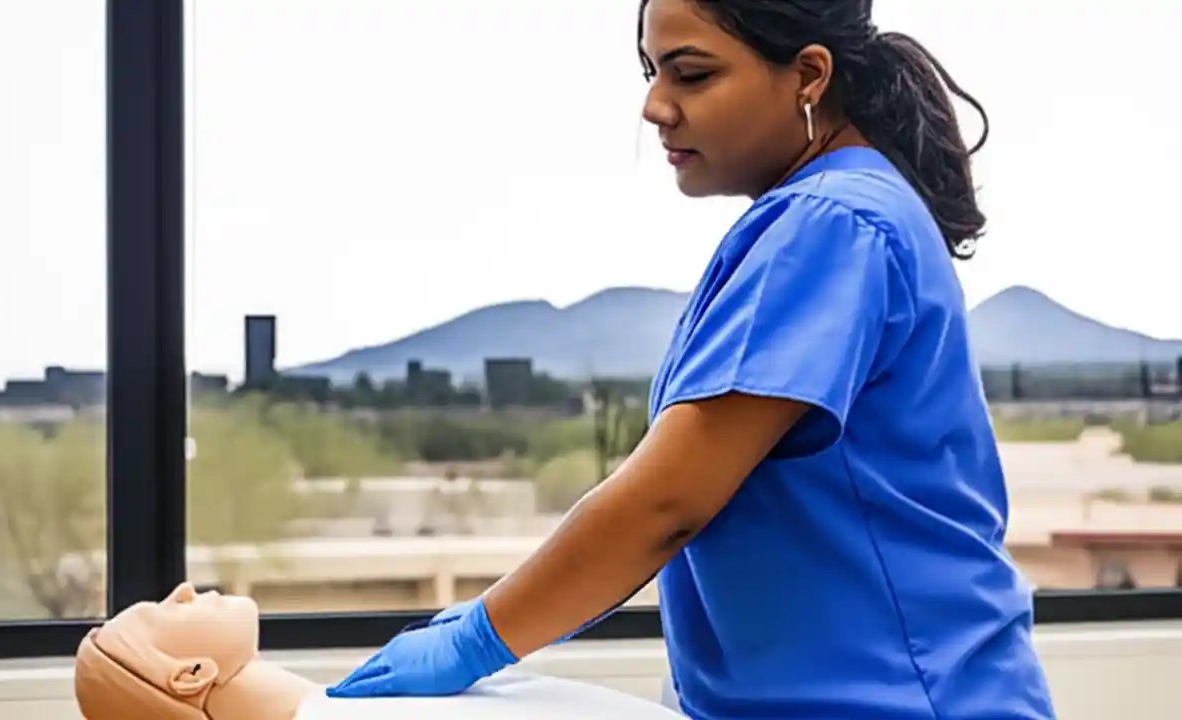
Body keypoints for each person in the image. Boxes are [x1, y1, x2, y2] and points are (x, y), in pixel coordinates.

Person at [329, 1, 1057, 718]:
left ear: (808, 75)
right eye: (651, 72)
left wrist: (480, 639)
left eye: (691, 74)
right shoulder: (830, 213)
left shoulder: (832, 224)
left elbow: (667, 501)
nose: (654, 106)